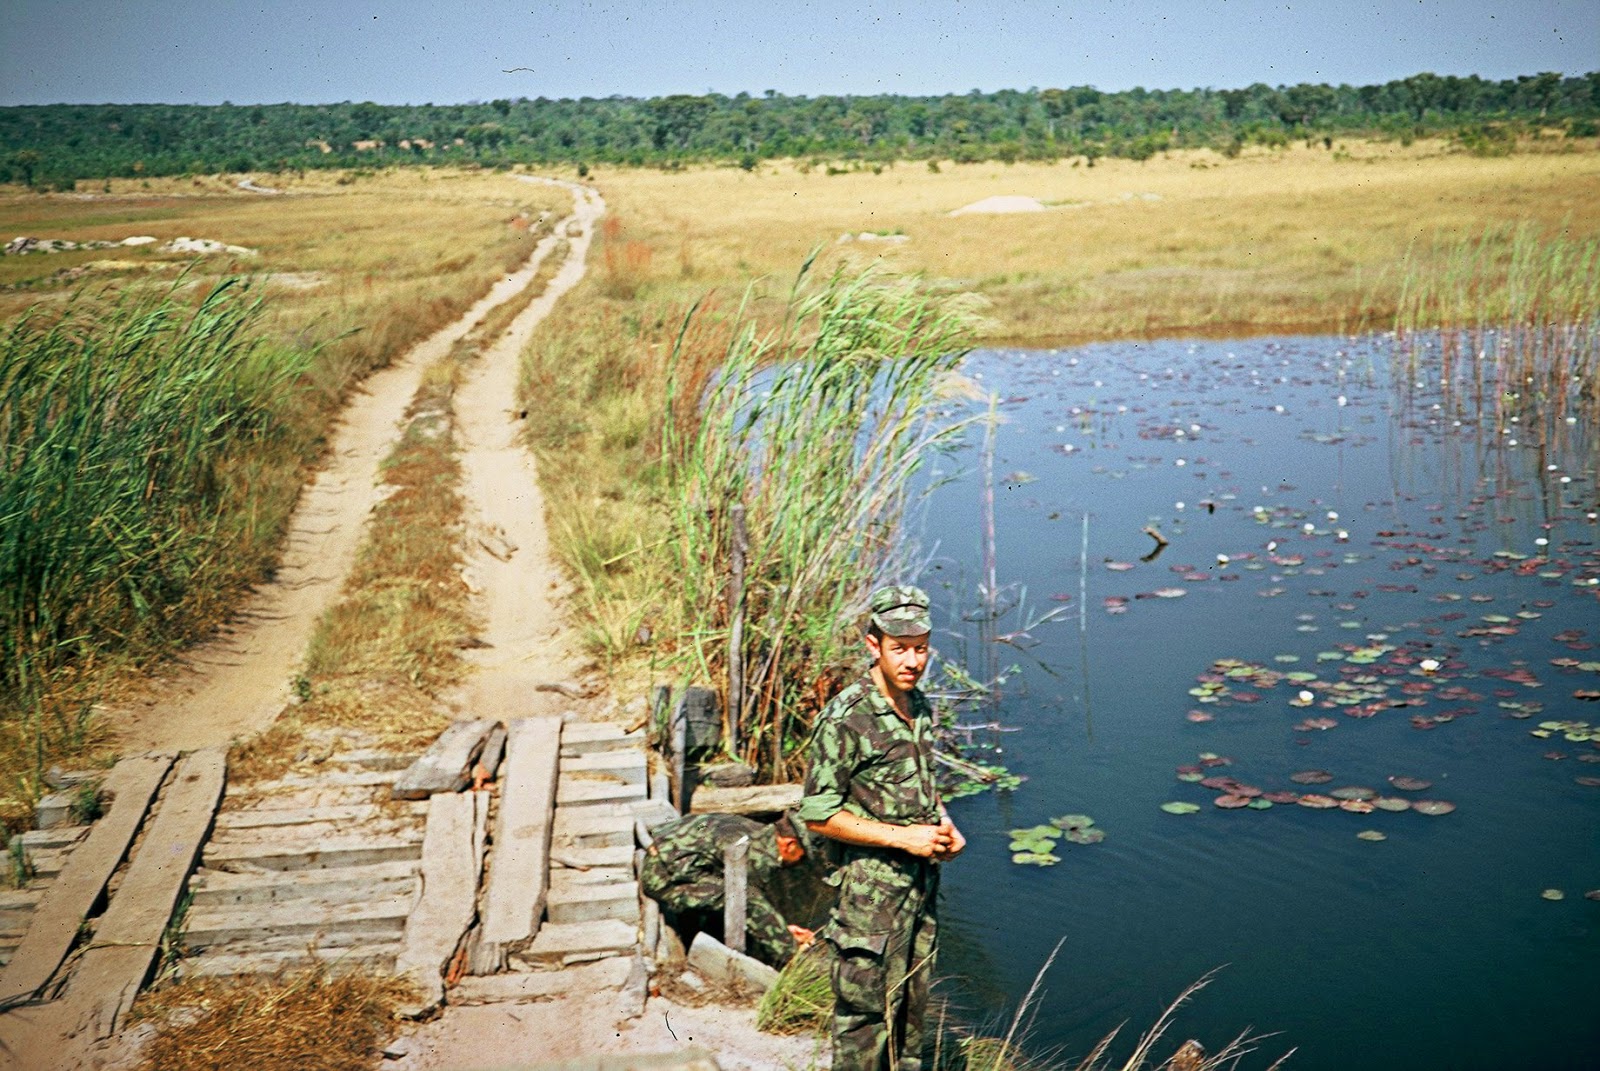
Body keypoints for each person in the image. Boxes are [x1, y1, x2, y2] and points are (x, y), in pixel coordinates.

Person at [798, 584, 965, 1071]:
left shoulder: (922, 709)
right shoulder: (847, 717)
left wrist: (945, 828)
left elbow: (921, 786)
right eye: (899, 649)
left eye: (921, 648)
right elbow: (818, 813)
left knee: (912, 1014)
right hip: (870, 902)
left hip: (920, 891)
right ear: (873, 645)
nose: (912, 661)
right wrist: (903, 838)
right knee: (863, 1021)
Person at [640, 811, 816, 967]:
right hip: (662, 877)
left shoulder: (756, 831)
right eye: (802, 855)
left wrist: (783, 929)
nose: (800, 861)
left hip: (665, 853)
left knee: (742, 900)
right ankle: (792, 957)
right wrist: (789, 946)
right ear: (789, 844)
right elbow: (753, 905)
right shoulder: (760, 856)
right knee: (746, 900)